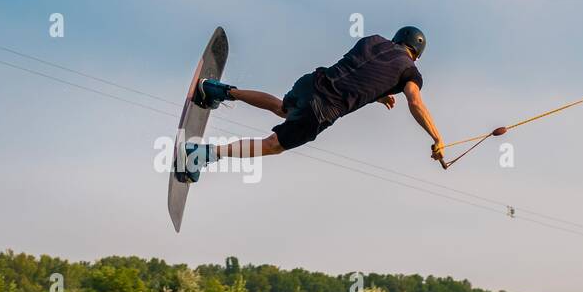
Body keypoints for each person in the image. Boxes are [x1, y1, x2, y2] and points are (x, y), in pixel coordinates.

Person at [176, 26, 444, 181]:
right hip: (322, 110)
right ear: (417, 56)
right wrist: (436, 137)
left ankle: (216, 90)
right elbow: (415, 101)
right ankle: (200, 155)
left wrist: (380, 93)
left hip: (313, 82)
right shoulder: (410, 71)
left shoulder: (372, 40)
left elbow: (364, 72)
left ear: (397, 39)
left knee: (282, 107)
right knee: (273, 145)